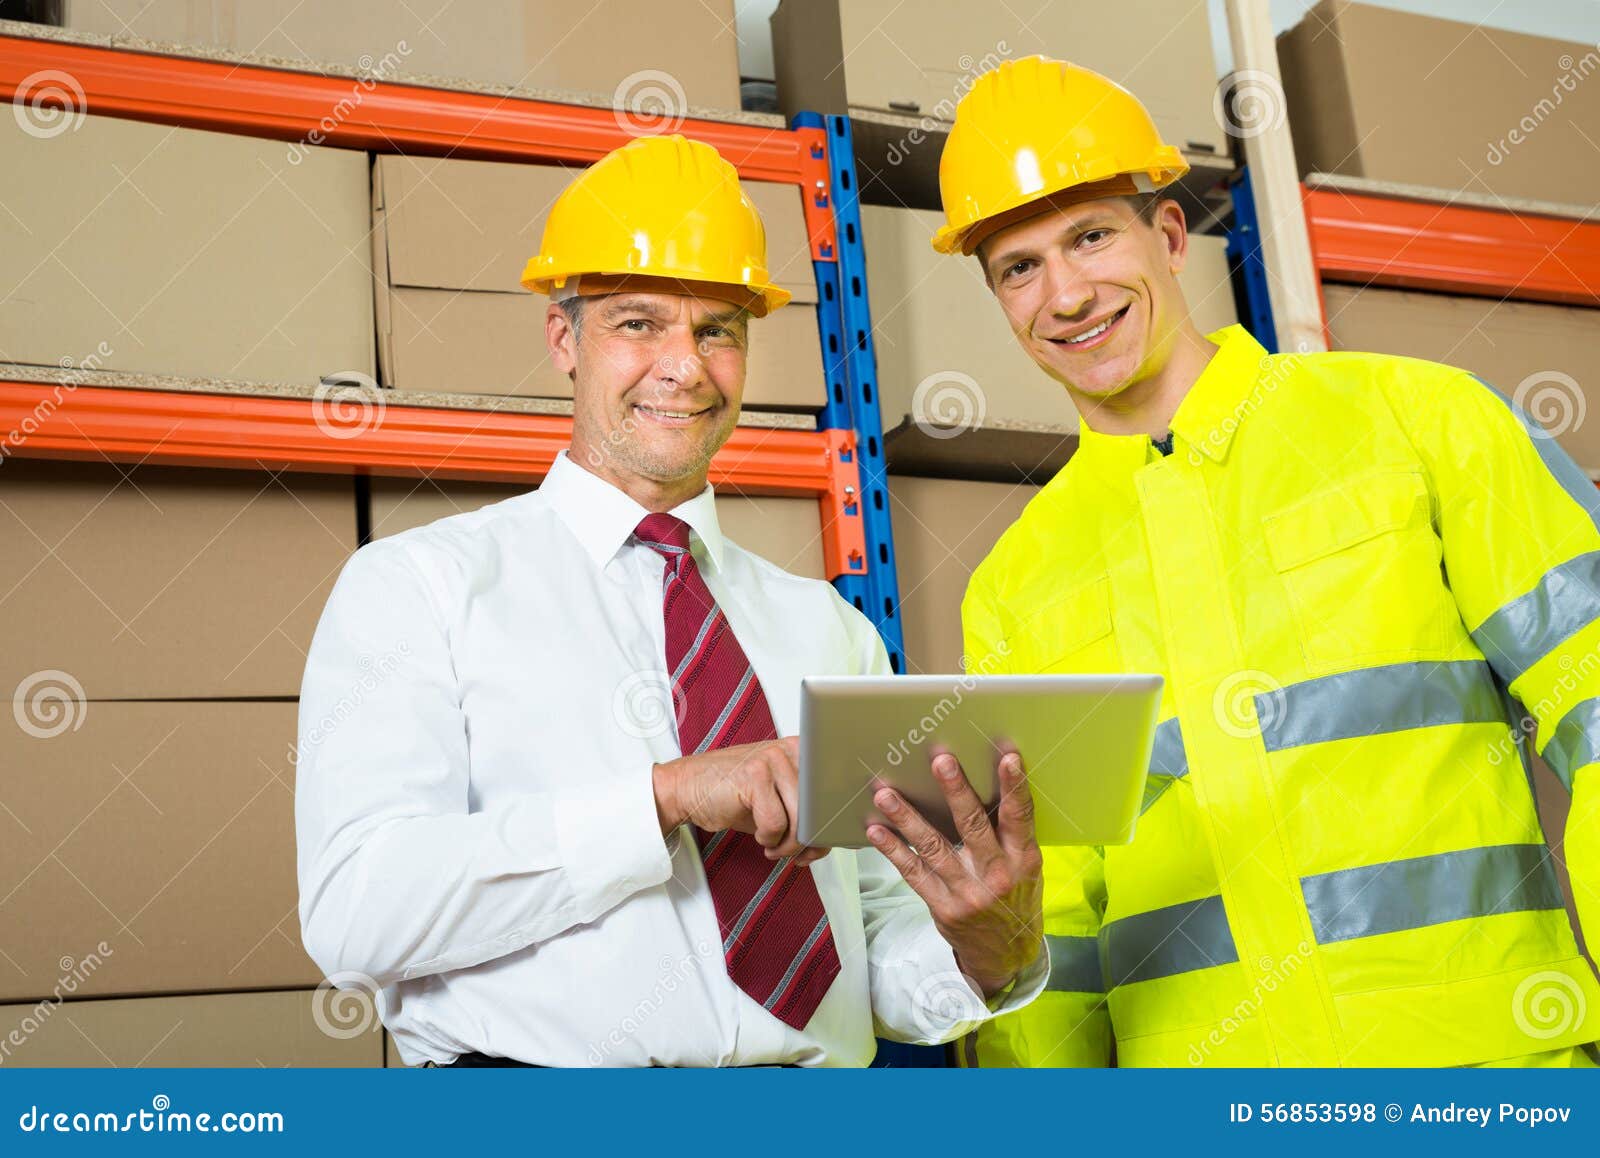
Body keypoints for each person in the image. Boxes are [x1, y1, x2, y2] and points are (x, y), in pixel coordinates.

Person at [294, 134, 1047, 1068]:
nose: (684, 367)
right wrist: (667, 797)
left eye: (717, 329)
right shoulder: (420, 588)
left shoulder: (830, 629)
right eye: (639, 322)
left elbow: (876, 956)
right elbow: (358, 913)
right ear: (564, 339)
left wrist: (987, 950)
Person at [932, 56, 1599, 1067]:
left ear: (1165, 235)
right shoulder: (1016, 586)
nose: (1063, 294)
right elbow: (1052, 926)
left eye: (1089, 236)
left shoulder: (1417, 421)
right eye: (1018, 268)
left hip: (1482, 1071)